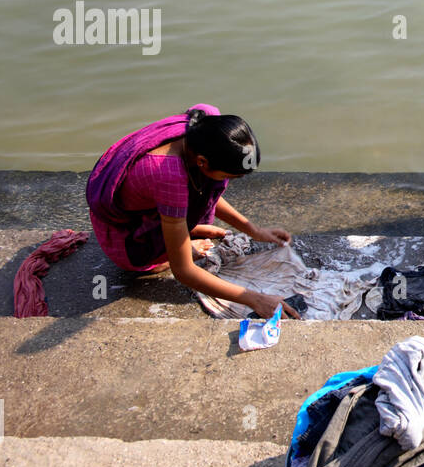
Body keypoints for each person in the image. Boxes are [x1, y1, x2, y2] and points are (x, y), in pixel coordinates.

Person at [86, 103, 299, 318]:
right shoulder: (169, 176)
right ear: (202, 162)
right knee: (160, 258)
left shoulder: (205, 120)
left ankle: (180, 228)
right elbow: (184, 272)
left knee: (198, 188)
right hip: (125, 235)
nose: (229, 182)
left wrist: (254, 230)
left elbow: (207, 190)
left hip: (151, 199)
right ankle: (171, 242)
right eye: (229, 176)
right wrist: (256, 299)